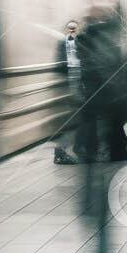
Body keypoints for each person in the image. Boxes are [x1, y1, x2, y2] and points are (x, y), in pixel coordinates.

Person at [76, 3, 127, 253]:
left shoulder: (83, 45)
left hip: (89, 144)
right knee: (103, 222)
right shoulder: (110, 49)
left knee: (97, 220)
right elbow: (117, 101)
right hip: (103, 146)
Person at [53, 19, 83, 163]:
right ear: (66, 29)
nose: (72, 30)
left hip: (79, 83)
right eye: (70, 28)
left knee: (78, 117)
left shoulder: (82, 43)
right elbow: (58, 64)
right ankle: (60, 151)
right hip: (69, 84)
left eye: (75, 28)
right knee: (74, 117)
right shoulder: (61, 43)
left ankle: (74, 147)